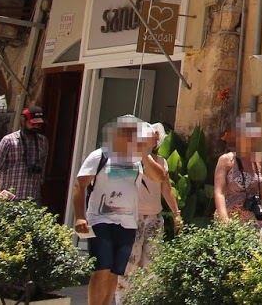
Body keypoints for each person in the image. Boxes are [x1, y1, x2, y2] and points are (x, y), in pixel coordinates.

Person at [72, 115, 166, 305]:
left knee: (116, 270)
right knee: (102, 268)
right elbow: (79, 185)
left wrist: (143, 155)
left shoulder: (138, 159)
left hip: (128, 223)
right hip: (101, 220)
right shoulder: (100, 156)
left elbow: (159, 177)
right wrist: (80, 217)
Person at [120, 123, 182, 296]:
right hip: (133, 217)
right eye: (152, 134)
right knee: (130, 263)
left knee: (152, 264)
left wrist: (176, 214)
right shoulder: (129, 159)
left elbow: (166, 188)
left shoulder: (160, 161)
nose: (155, 137)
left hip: (154, 217)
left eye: (157, 135)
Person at [213, 113, 262, 239]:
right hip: (232, 221)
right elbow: (219, 193)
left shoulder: (259, 160)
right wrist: (224, 222)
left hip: (257, 222)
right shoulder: (226, 160)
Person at [0, 105, 48, 202]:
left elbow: (43, 167)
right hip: (9, 198)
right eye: (33, 124)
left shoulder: (43, 141)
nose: (36, 127)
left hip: (32, 199)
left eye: (38, 125)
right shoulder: (9, 140)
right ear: (23, 121)